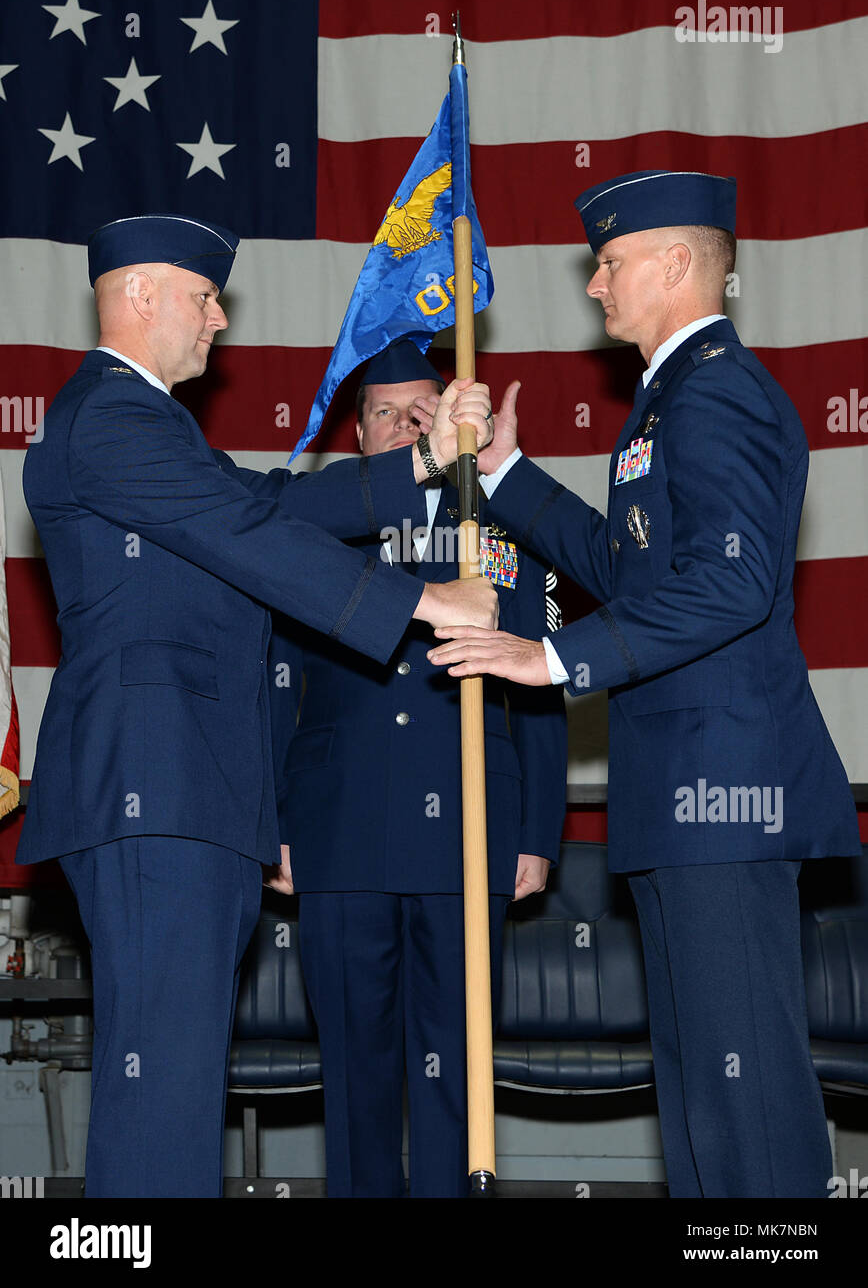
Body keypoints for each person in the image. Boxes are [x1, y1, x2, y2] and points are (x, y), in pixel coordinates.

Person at [17, 213, 498, 1198]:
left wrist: (421, 464)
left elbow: (269, 505)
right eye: (203, 297)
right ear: (141, 296)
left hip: (193, 792)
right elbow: (247, 533)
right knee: (161, 1091)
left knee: (175, 1080)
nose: (220, 319)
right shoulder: (110, 415)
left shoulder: (143, 423)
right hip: (155, 789)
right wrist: (427, 600)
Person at [429, 170, 861, 1198]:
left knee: (745, 1102)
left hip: (726, 793)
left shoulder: (719, 392)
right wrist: (504, 471)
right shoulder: (673, 400)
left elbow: (731, 583)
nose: (595, 286)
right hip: (682, 795)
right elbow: (631, 571)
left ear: (676, 264)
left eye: (611, 262)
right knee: (706, 1105)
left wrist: (552, 659)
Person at [267, 337, 567, 1197]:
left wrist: (538, 832)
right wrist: (271, 825)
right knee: (355, 1068)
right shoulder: (307, 529)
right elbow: (269, 687)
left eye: (423, 414)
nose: (404, 427)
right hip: (338, 824)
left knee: (456, 1066)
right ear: (355, 434)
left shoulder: (500, 530)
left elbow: (540, 683)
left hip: (468, 831)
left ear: (453, 425)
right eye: (383, 414)